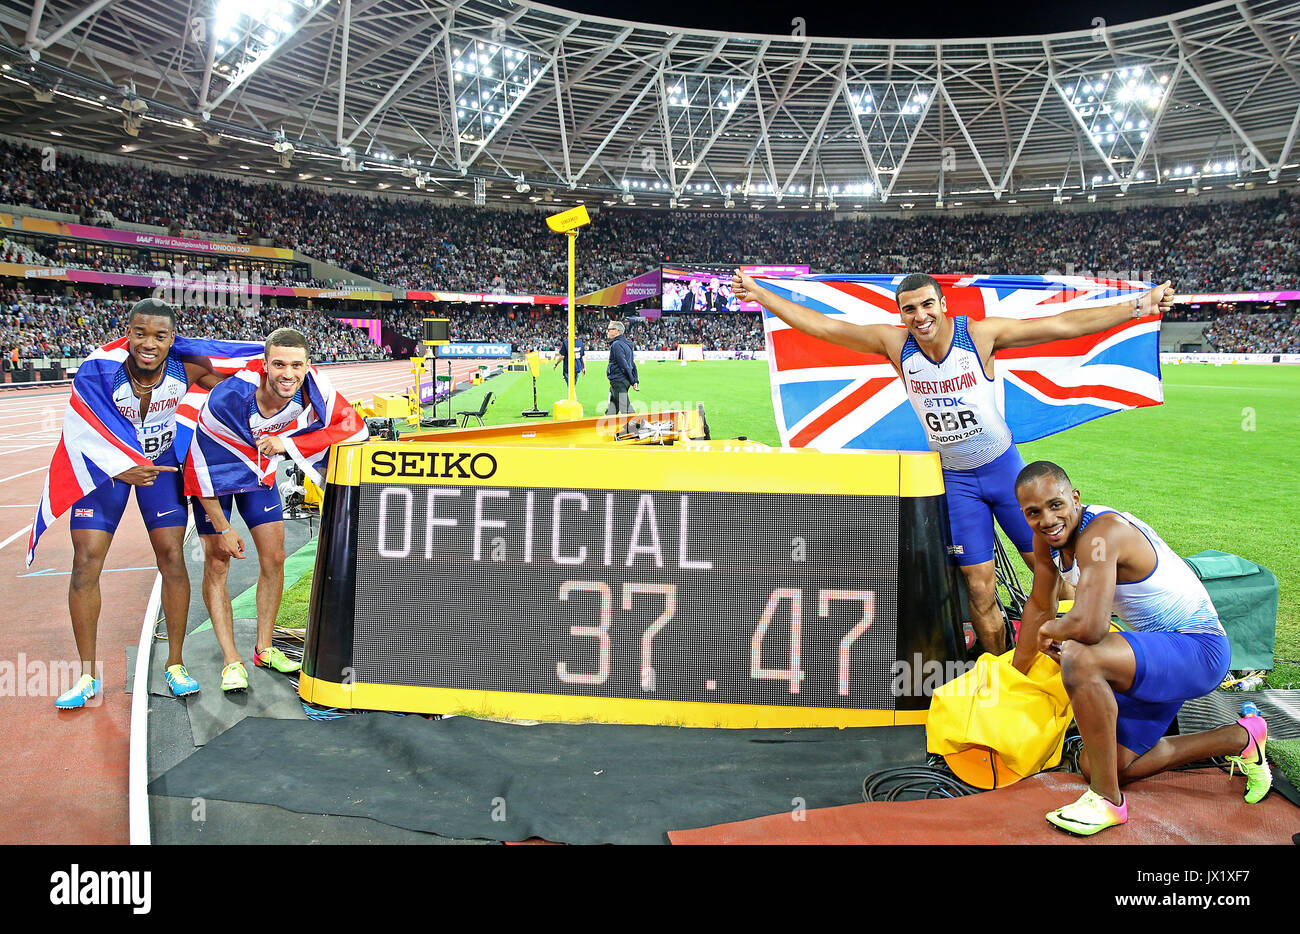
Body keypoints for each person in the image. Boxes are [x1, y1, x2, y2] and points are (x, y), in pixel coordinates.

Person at [733, 270, 1175, 655]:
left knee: (1055, 573)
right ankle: (1002, 673)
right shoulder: (895, 343)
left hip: (1005, 474)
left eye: (927, 304)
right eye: (909, 309)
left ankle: (1073, 660)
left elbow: (1060, 324)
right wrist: (762, 296)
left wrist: (1138, 306)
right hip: (958, 482)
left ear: (943, 304)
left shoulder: (977, 335)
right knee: (980, 589)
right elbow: (826, 327)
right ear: (900, 314)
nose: (920, 315)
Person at [1012, 460, 1270, 835]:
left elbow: (1090, 624)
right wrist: (1016, 679)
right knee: (1100, 763)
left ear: (1075, 498)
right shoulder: (1049, 539)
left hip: (1198, 650)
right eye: (1033, 513)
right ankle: (1243, 738)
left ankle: (1107, 801)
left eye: (1056, 505)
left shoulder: (1102, 533)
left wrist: (1054, 630)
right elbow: (1039, 605)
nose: (1047, 520)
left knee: (1081, 657)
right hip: (1157, 650)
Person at [55, 298, 228, 708]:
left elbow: (235, 389)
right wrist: (120, 468)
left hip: (162, 467)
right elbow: (78, 431)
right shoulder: (100, 369)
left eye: (159, 335)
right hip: (106, 469)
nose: (148, 343)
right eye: (140, 333)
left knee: (172, 557)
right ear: (127, 332)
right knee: (85, 561)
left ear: (172, 339)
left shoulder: (189, 366)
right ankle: (86, 675)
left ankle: (175, 663)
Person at [186, 327, 367, 694]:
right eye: (279, 364)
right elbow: (197, 466)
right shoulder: (230, 397)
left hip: (259, 475)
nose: (288, 373)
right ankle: (231, 661)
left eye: (296, 365)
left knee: (276, 558)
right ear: (264, 364)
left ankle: (264, 648)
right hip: (214, 476)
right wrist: (223, 528)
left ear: (308, 366)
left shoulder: (312, 387)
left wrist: (288, 442)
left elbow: (352, 425)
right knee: (218, 562)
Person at [604, 320, 639, 415]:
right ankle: (607, 426)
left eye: (609, 329)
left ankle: (639, 427)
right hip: (623, 381)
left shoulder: (616, 345)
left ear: (616, 331)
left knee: (626, 410)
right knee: (612, 409)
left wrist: (633, 381)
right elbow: (632, 364)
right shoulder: (627, 344)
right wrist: (635, 380)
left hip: (619, 381)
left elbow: (624, 365)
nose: (607, 331)